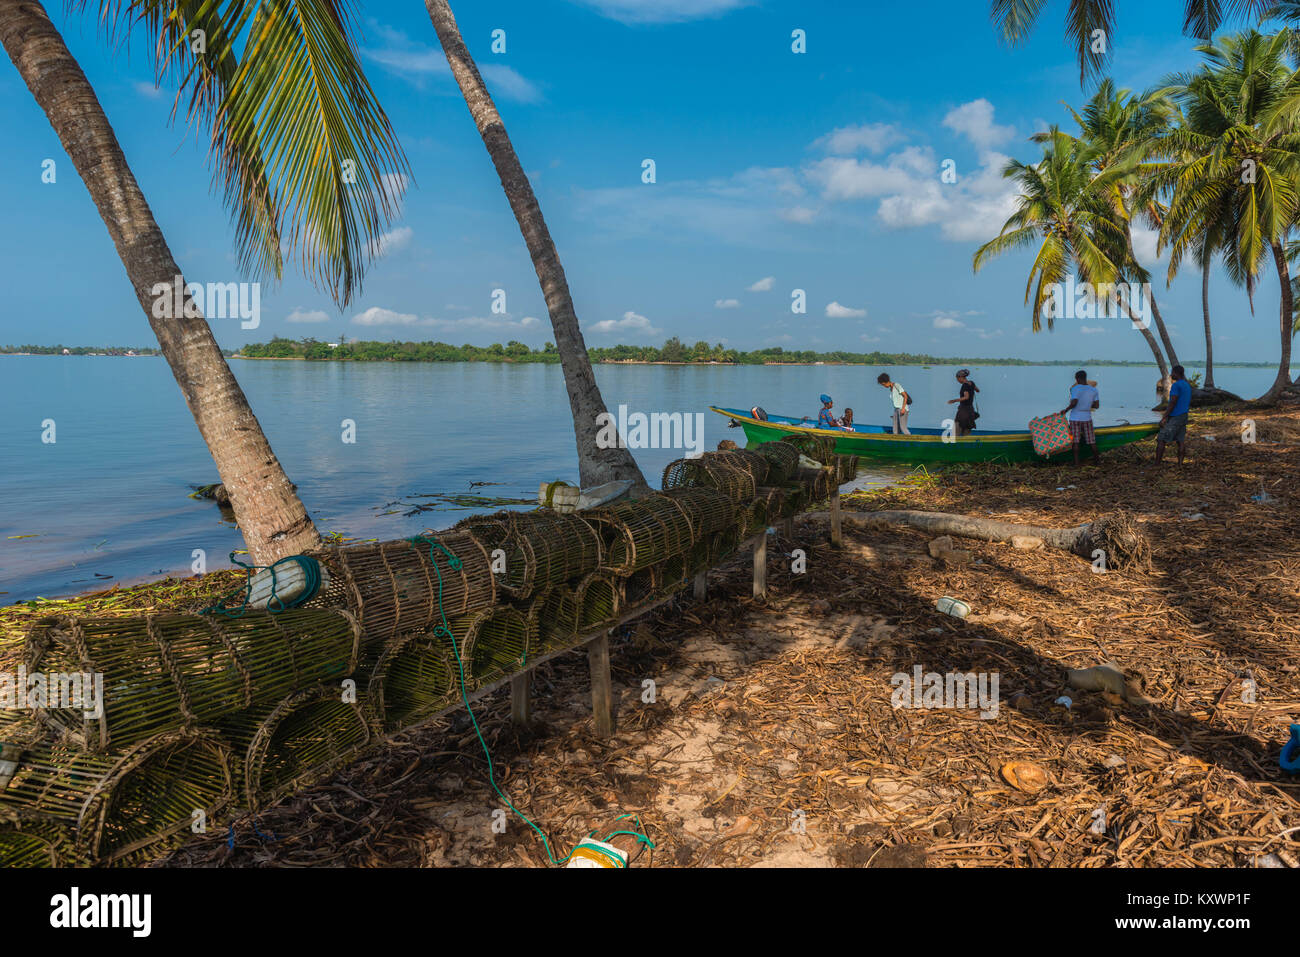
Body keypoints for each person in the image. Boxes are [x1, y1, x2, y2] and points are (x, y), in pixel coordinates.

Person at [1060, 370, 1100, 466]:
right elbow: (1096, 406)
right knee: (1092, 441)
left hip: (1075, 418)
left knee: (1076, 442)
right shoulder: (1094, 390)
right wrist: (1087, 403)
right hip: (1087, 418)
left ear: (1077, 379)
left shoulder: (1075, 388)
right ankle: (1097, 461)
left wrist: (1065, 410)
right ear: (1085, 378)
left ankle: (1077, 463)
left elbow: (1074, 403)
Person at [1156, 365, 1191, 465]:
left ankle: (1157, 464)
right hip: (1184, 415)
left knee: (1161, 438)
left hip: (1176, 416)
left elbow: (1172, 402)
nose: (1171, 375)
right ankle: (1180, 464)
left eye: (1172, 373)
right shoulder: (1186, 385)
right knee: (1180, 440)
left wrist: (1165, 417)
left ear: (1177, 373)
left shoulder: (1176, 385)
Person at [947, 369, 979, 436]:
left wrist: (954, 400)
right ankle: (966, 444)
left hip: (963, 411)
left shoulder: (964, 386)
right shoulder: (971, 383)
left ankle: (954, 444)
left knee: (956, 430)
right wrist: (972, 388)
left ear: (961, 377)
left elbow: (966, 397)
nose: (957, 380)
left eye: (957, 379)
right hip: (970, 410)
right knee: (967, 430)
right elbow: (978, 390)